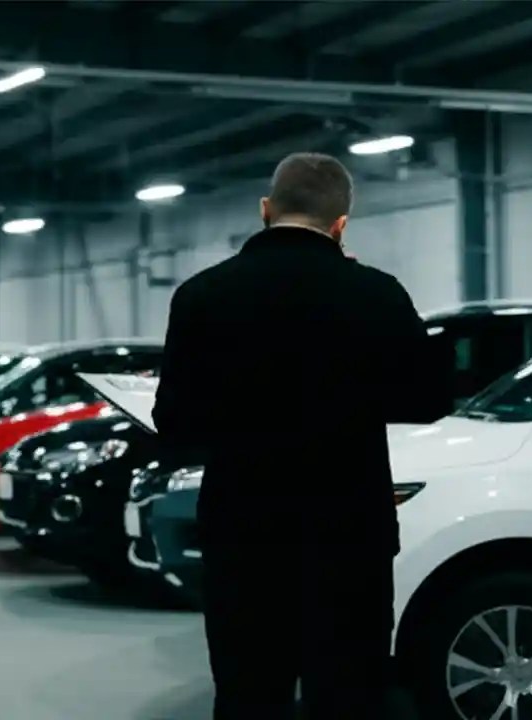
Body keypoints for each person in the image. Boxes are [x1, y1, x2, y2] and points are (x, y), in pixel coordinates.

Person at [152, 153, 453, 719]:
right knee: (349, 696)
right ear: (341, 224)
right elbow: (429, 400)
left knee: (248, 696)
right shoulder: (378, 292)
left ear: (266, 211)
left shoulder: (200, 296)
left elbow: (176, 423)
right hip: (347, 537)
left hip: (243, 537)